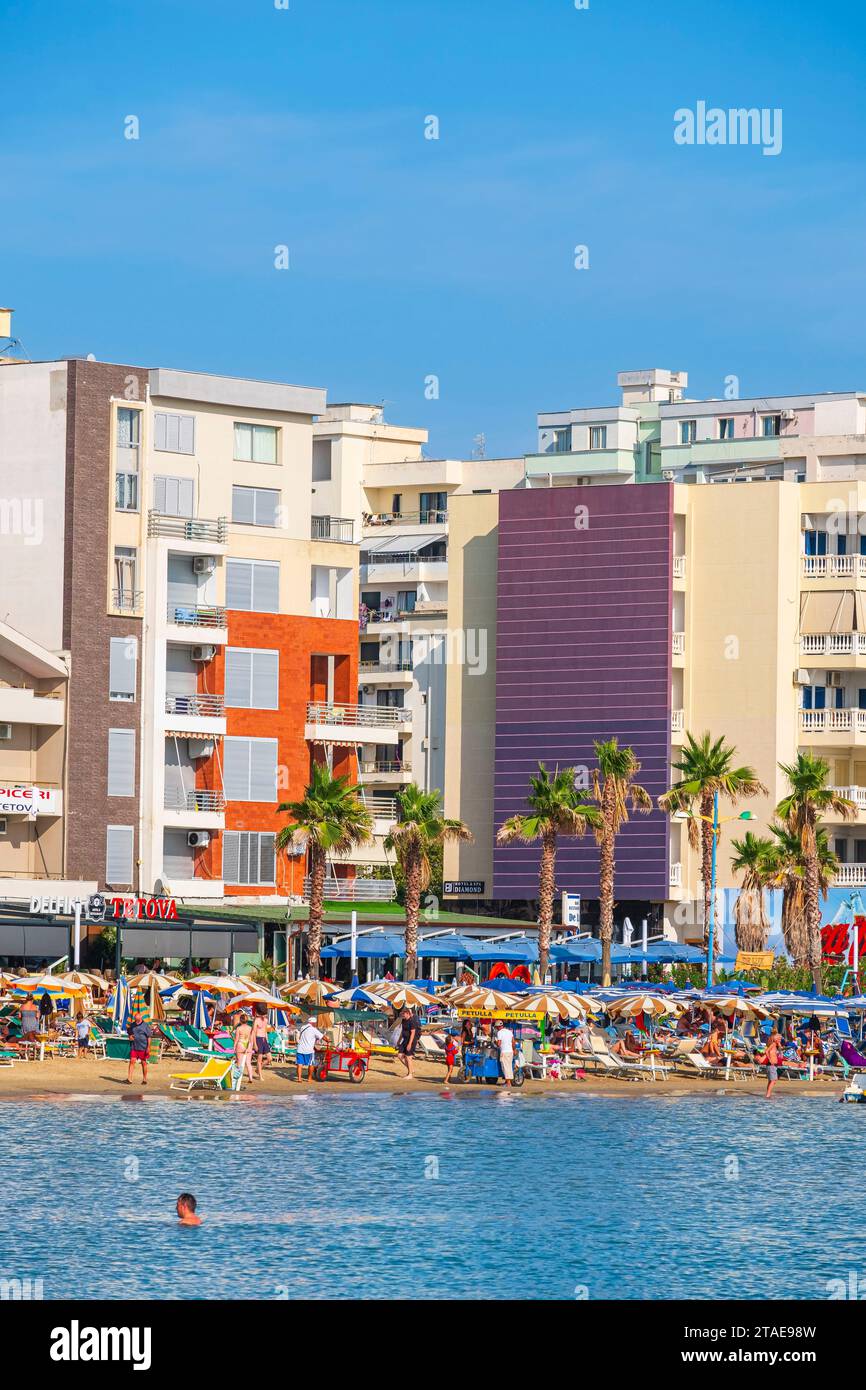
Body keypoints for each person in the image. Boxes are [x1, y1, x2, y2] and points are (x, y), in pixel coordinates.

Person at [126, 1012, 153, 1085]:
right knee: (132, 1061)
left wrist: (148, 1047)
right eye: (135, 1019)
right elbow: (129, 1032)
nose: (136, 1021)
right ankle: (129, 1079)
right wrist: (130, 1037)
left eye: (137, 1019)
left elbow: (149, 1037)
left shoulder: (145, 1026)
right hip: (134, 1046)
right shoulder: (132, 1025)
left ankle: (144, 1079)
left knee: (143, 1062)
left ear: (141, 1018)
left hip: (143, 1047)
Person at [295, 1016, 323, 1082]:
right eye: (315, 1023)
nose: (315, 1024)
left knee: (300, 1064)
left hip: (300, 1049)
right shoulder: (314, 1029)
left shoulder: (302, 1027)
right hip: (309, 1050)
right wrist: (328, 1040)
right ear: (313, 1023)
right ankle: (309, 1078)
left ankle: (299, 1078)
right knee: (311, 1064)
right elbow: (322, 1036)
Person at [397, 1007, 421, 1078]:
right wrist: (399, 1040)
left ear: (407, 1013)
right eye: (402, 1014)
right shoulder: (403, 1020)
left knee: (408, 1057)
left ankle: (410, 1074)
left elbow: (413, 1032)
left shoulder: (412, 1021)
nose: (402, 1015)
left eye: (403, 1014)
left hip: (411, 1040)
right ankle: (411, 1069)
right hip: (404, 1040)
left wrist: (410, 1044)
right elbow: (402, 1031)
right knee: (399, 1055)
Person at [250, 1002, 271, 1081]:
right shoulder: (256, 1020)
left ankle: (258, 1069)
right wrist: (254, 1044)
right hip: (258, 1039)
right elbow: (254, 1032)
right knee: (259, 1059)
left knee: (270, 1058)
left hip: (264, 1039)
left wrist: (267, 1040)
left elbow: (265, 1031)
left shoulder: (265, 1019)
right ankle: (260, 1076)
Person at [762, 1025, 784, 1099]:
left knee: (771, 1080)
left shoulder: (774, 1044)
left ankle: (768, 1094)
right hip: (771, 1064)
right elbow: (766, 1051)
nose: (779, 1040)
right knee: (773, 1080)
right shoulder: (773, 1044)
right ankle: (768, 1095)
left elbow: (781, 1049)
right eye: (778, 1038)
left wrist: (779, 1044)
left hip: (772, 1065)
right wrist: (770, 1059)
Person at [233, 1012, 255, 1084]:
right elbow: (251, 1039)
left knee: (239, 1062)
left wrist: (234, 1047)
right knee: (248, 1063)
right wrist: (251, 1046)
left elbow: (236, 1039)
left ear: (240, 1020)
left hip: (240, 1044)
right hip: (248, 1044)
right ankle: (250, 1078)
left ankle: (238, 1078)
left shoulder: (239, 1028)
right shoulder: (250, 1028)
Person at [495, 1019, 515, 1086]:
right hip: (510, 1051)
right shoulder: (509, 1031)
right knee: (509, 1066)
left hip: (504, 1051)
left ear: (498, 1027)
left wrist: (495, 1042)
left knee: (505, 1067)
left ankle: (508, 1083)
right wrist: (514, 1050)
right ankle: (507, 1081)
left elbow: (499, 1044)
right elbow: (513, 1042)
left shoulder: (499, 1032)